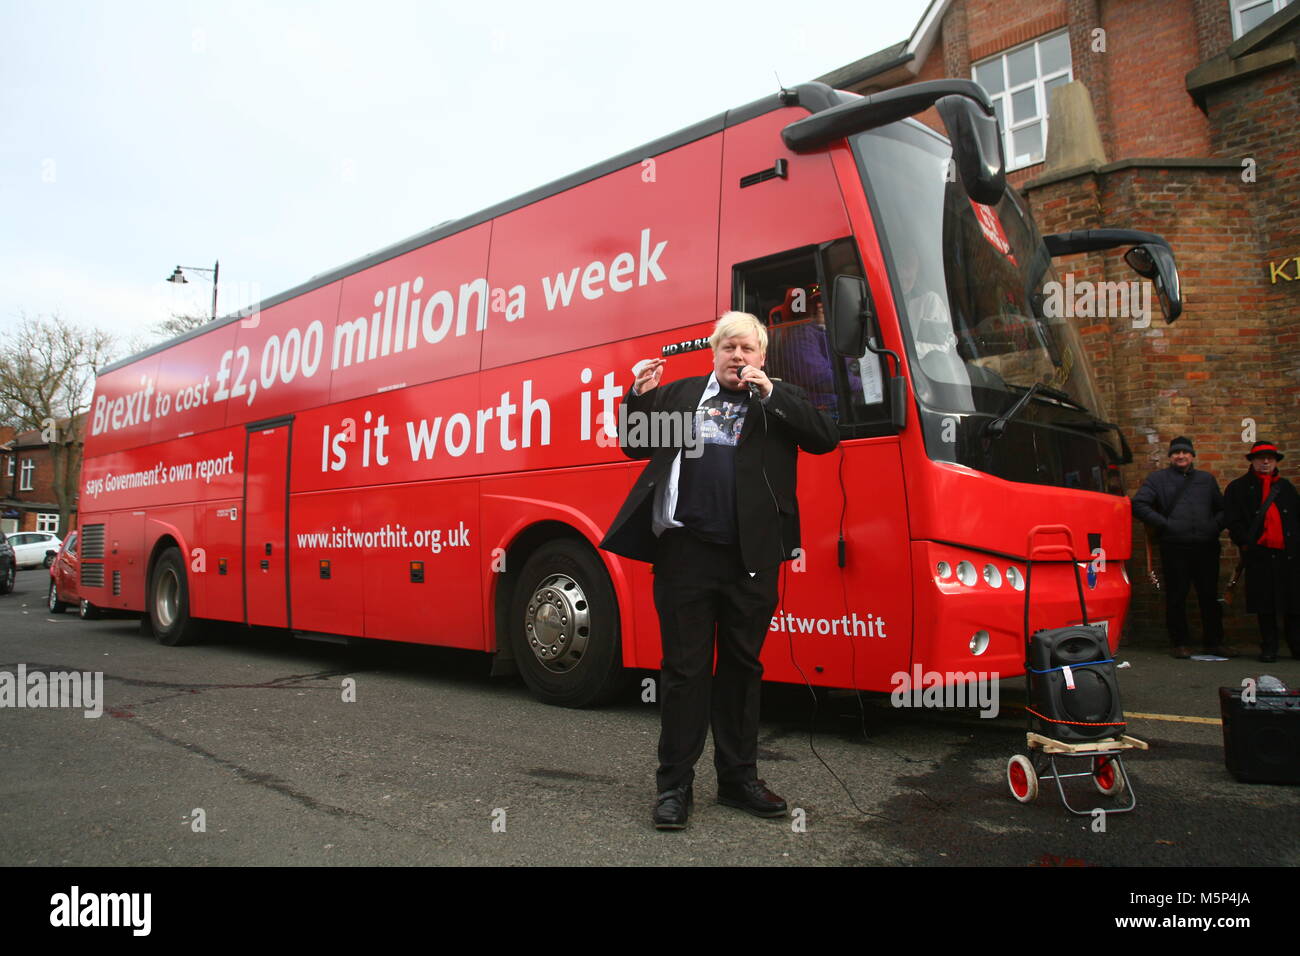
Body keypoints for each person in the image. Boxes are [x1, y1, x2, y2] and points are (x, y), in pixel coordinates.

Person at [599, 311, 839, 830]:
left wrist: (773, 393)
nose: (738, 357)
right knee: (685, 673)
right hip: (687, 553)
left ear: (762, 357)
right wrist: (638, 396)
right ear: (714, 353)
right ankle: (674, 788)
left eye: (748, 349)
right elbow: (633, 443)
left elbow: (825, 437)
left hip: (751, 559)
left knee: (742, 669)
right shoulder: (682, 396)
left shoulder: (778, 402)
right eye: (729, 347)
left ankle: (738, 780)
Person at [1132, 436, 1231, 659]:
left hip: (1206, 546)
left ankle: (1214, 642)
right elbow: (1138, 504)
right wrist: (1166, 525)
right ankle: (1180, 643)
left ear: (1192, 455)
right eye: (1176, 452)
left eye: (1185, 452)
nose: (1181, 456)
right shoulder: (1158, 479)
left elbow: (1223, 509)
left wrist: (1212, 528)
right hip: (1174, 547)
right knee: (1176, 596)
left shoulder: (1206, 479)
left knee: (1209, 596)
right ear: (1170, 456)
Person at [1224, 441, 1300, 662]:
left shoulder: (1285, 488)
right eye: (1261, 458)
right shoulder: (1238, 488)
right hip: (1261, 554)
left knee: (1293, 604)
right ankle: (1269, 647)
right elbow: (1233, 520)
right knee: (1265, 605)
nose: (1266, 462)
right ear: (1252, 461)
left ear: (1276, 461)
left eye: (1270, 458)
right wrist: (1248, 543)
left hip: (1289, 554)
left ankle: (1295, 645)